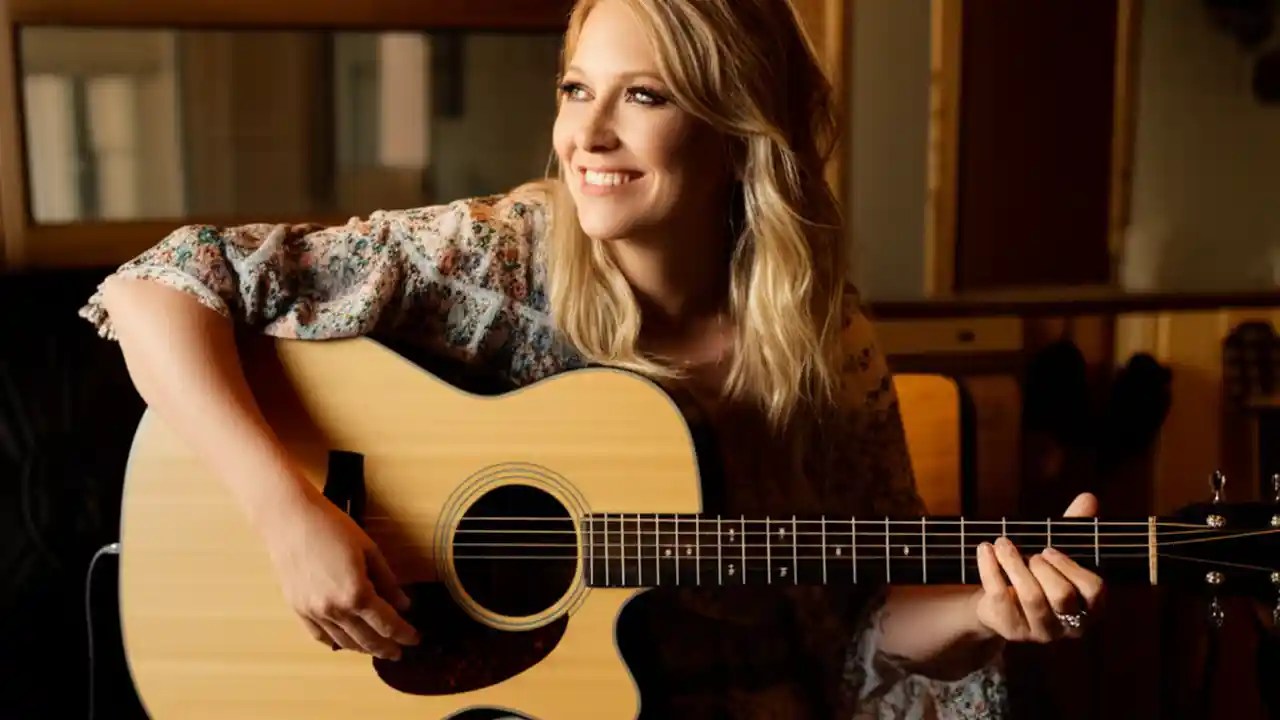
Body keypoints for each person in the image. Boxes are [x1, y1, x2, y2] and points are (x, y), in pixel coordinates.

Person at [80, 0, 1105, 716]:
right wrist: (286, 511)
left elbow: (860, 627)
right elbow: (160, 285)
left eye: (644, 96)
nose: (587, 136)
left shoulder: (821, 338)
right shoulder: (496, 252)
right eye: (577, 89)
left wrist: (984, 613)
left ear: (739, 130)